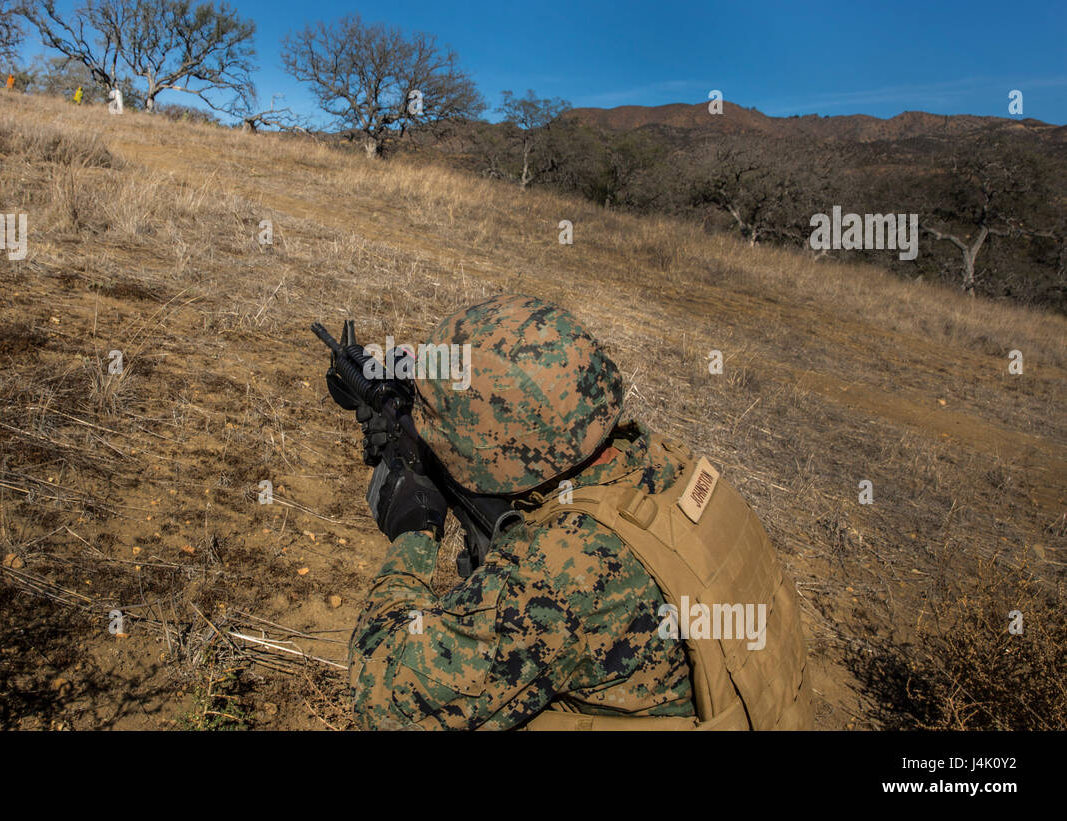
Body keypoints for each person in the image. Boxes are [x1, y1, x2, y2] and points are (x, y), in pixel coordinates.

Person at [348, 294, 812, 730]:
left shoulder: (561, 575)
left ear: (489, 449)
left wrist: (413, 533)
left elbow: (383, 701)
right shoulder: (673, 469)